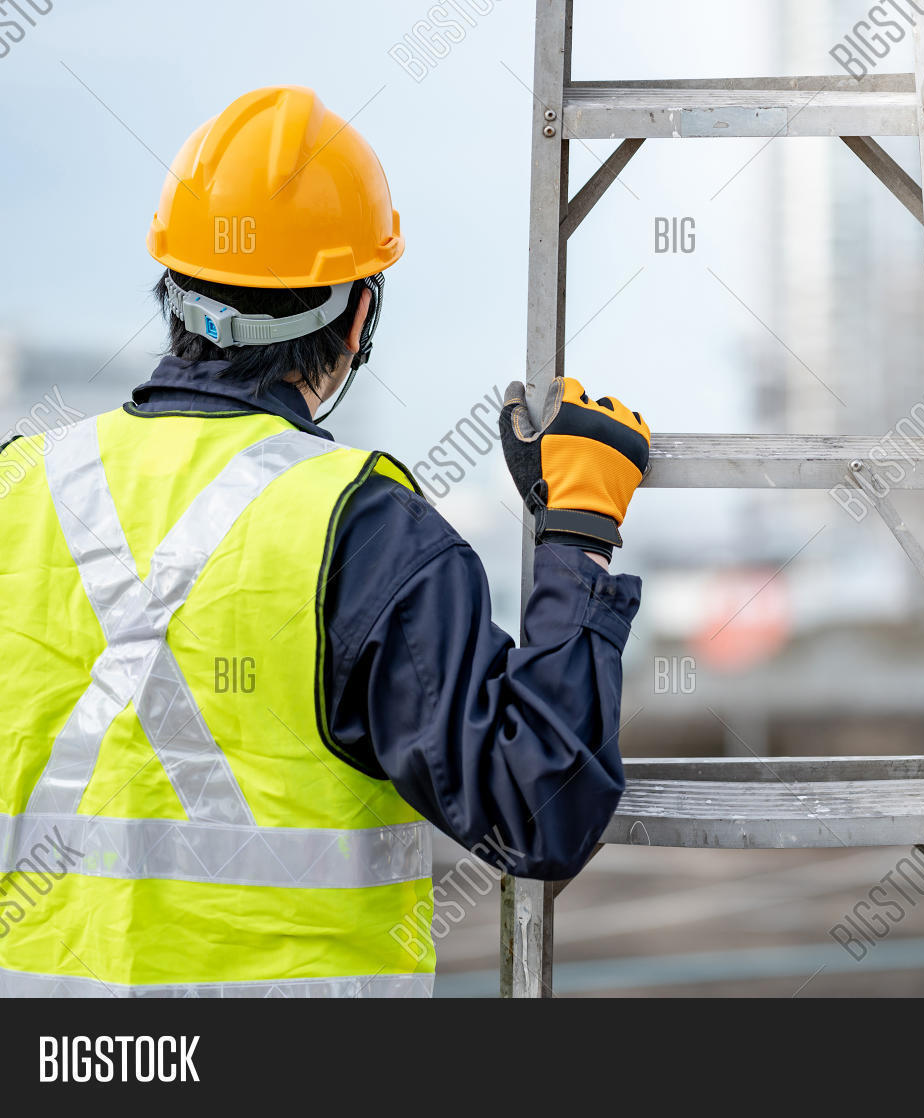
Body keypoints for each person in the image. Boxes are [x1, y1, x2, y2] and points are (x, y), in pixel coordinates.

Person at [0, 85, 648, 997]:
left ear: (173, 291)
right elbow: (538, 809)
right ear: (356, 318)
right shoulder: (366, 527)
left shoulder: (16, 487)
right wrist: (578, 528)